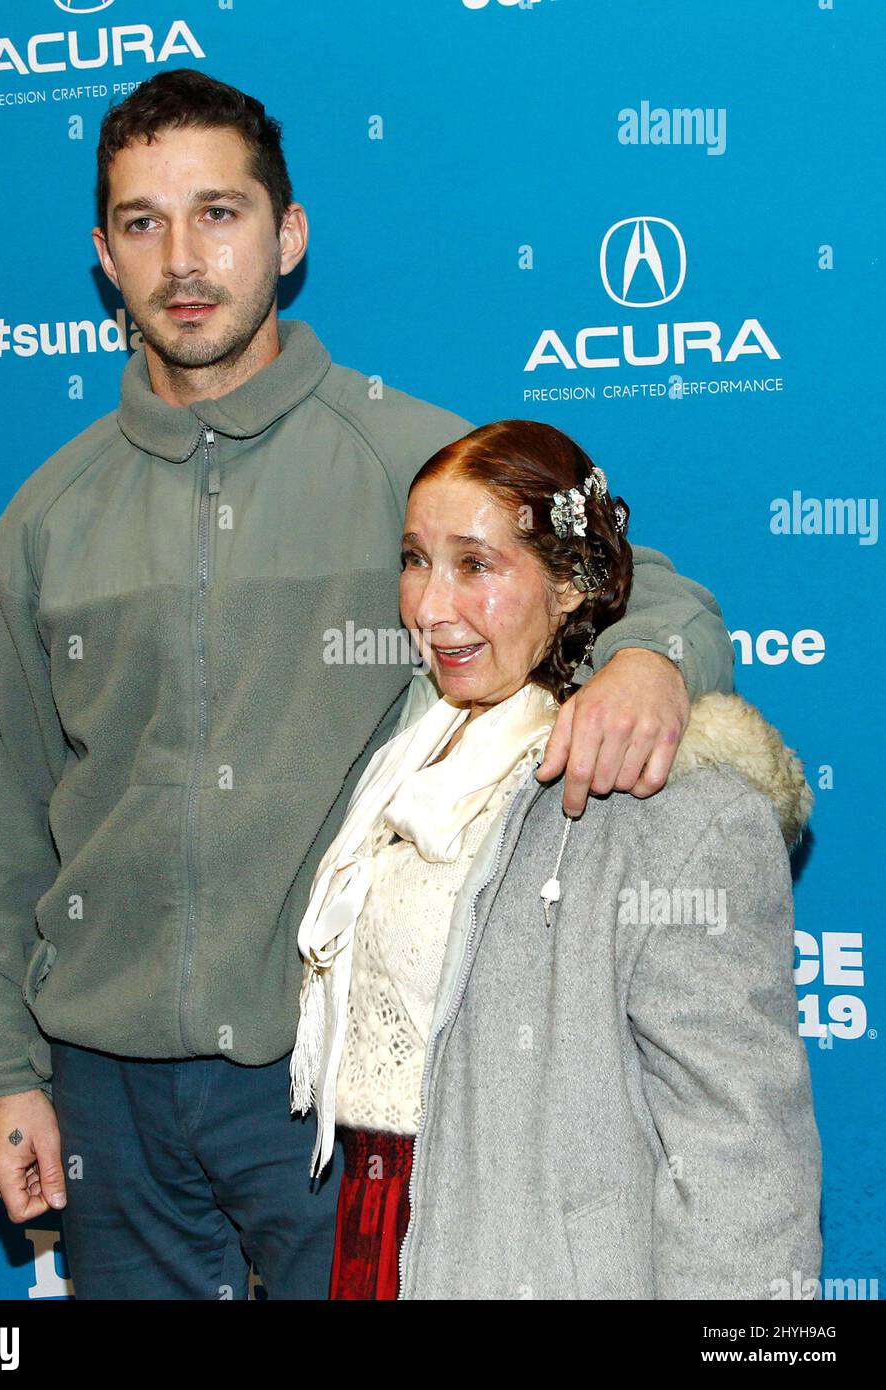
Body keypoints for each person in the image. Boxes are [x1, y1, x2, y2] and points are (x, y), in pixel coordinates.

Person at [0, 70, 735, 1300]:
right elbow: (0, 827)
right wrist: (7, 1075)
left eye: (219, 213)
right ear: (104, 257)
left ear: (289, 232)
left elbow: (640, 584)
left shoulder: (405, 457)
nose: (183, 258)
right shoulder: (40, 526)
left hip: (333, 1090)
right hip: (102, 1087)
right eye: (144, 224)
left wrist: (646, 662)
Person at [292, 419, 822, 1300]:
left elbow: (741, 1149)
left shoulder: (672, 807)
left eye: (476, 564)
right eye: (416, 559)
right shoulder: (404, 751)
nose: (429, 606)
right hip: (375, 1235)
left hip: (533, 1261)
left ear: (574, 585)